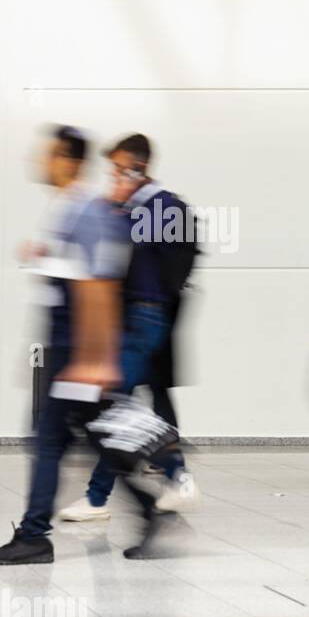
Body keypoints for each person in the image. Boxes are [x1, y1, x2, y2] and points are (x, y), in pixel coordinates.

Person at [0, 125, 159, 565]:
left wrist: (93, 361)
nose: (41, 161)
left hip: (76, 354)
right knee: (82, 439)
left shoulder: (85, 211)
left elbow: (98, 288)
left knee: (49, 440)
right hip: (66, 350)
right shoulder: (66, 210)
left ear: (70, 162)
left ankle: (36, 534)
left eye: (50, 155)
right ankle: (145, 506)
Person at [56, 134, 199, 522]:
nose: (114, 175)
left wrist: (122, 211)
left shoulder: (164, 207)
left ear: (139, 167)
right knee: (116, 406)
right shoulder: (133, 207)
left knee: (112, 405)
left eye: (120, 168)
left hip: (145, 317)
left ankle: (156, 481)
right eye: (113, 169)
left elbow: (172, 266)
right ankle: (164, 476)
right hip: (133, 318)